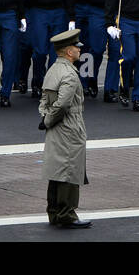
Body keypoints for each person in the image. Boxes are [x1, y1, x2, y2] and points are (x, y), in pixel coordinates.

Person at [41, 28, 91, 228]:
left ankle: (54, 212)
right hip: (70, 125)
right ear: (69, 52)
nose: (80, 50)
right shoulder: (70, 74)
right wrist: (50, 119)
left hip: (56, 127)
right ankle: (66, 213)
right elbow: (63, 104)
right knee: (70, 171)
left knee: (56, 171)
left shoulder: (54, 69)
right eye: (76, 47)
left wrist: (45, 117)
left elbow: (44, 100)